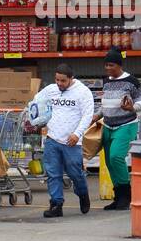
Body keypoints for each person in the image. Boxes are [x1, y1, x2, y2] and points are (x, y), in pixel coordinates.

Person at [30, 63, 95, 218]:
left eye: (63, 81)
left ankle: (82, 192)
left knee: (74, 172)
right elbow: (36, 101)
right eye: (57, 80)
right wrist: (37, 118)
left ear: (71, 79)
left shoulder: (83, 92)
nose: (59, 83)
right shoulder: (51, 90)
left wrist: (77, 134)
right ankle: (56, 204)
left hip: (71, 141)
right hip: (52, 138)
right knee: (53, 173)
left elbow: (87, 115)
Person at [89, 47, 141, 212]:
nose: (108, 68)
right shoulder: (106, 81)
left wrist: (131, 108)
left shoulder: (132, 81)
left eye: (111, 65)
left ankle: (126, 195)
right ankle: (118, 197)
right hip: (107, 125)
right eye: (106, 65)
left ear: (119, 65)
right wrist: (97, 115)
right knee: (108, 162)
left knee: (116, 157)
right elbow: (106, 102)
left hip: (126, 124)